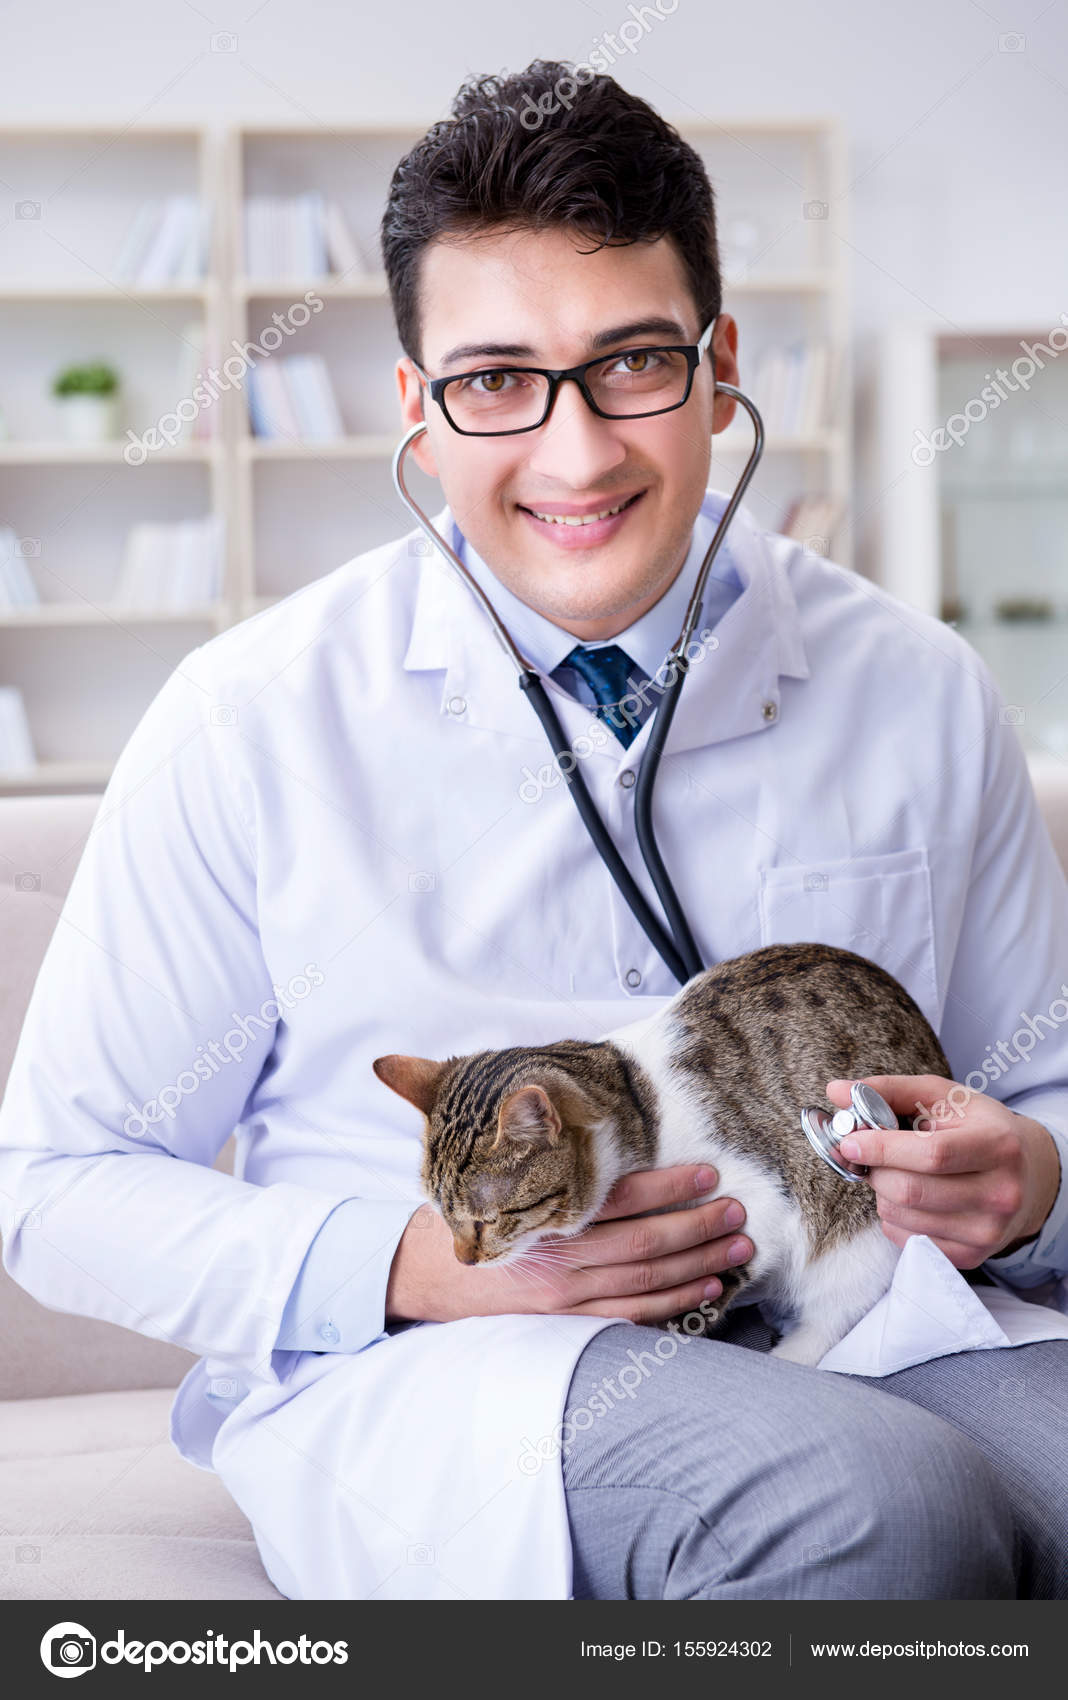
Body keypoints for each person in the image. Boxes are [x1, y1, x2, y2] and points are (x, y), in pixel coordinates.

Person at [1, 61, 1066, 1603]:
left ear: (720, 369)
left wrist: (1029, 1177)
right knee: (877, 1513)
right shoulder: (250, 717)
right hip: (467, 1360)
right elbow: (54, 1179)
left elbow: (1038, 1091)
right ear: (417, 413)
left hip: (868, 1308)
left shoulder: (918, 687)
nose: (577, 458)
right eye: (497, 380)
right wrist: (411, 1265)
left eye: (632, 362)